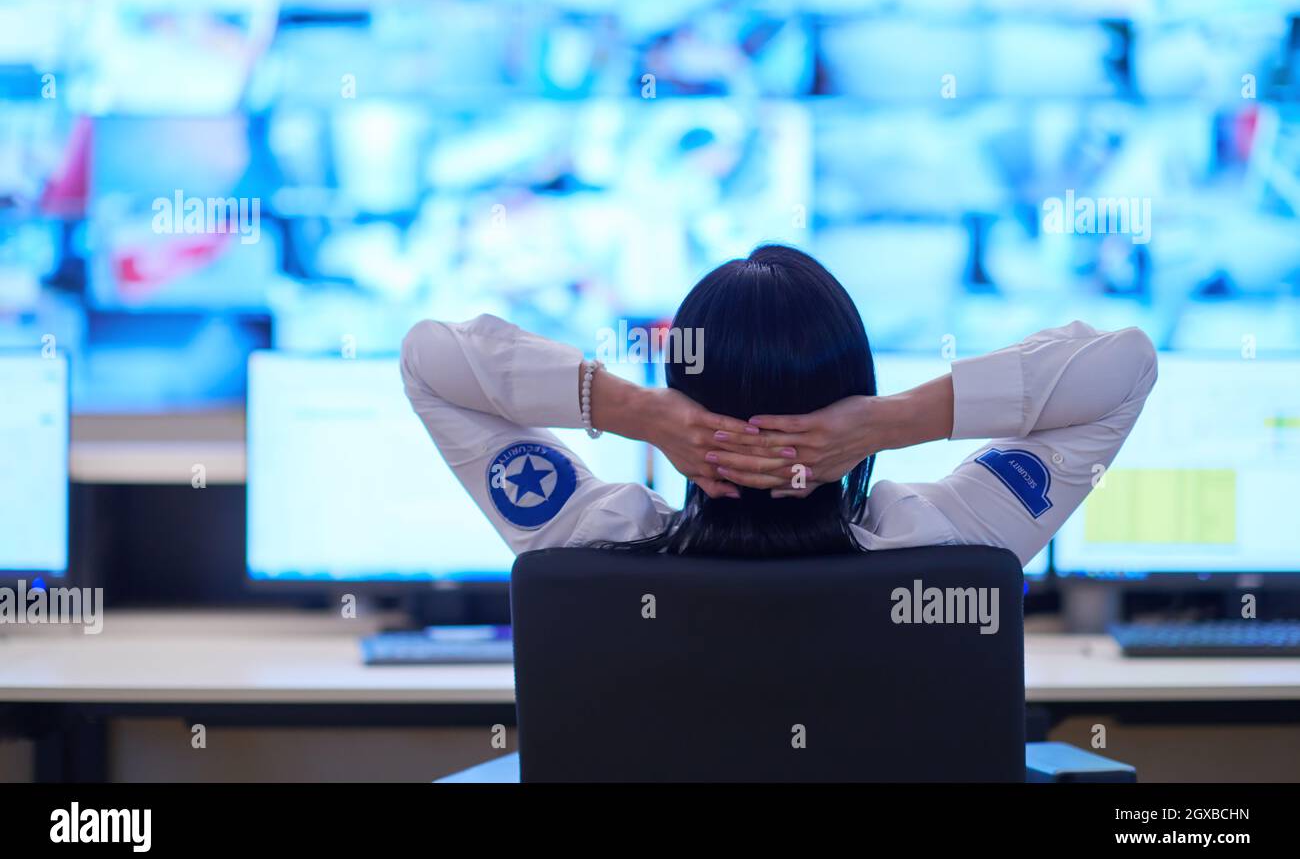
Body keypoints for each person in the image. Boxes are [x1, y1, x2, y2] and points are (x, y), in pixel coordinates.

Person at [400, 244, 1157, 566]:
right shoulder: (950, 546)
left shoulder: (587, 545)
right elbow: (1124, 368)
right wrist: (891, 422)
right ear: (852, 393)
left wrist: (639, 413)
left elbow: (431, 360)